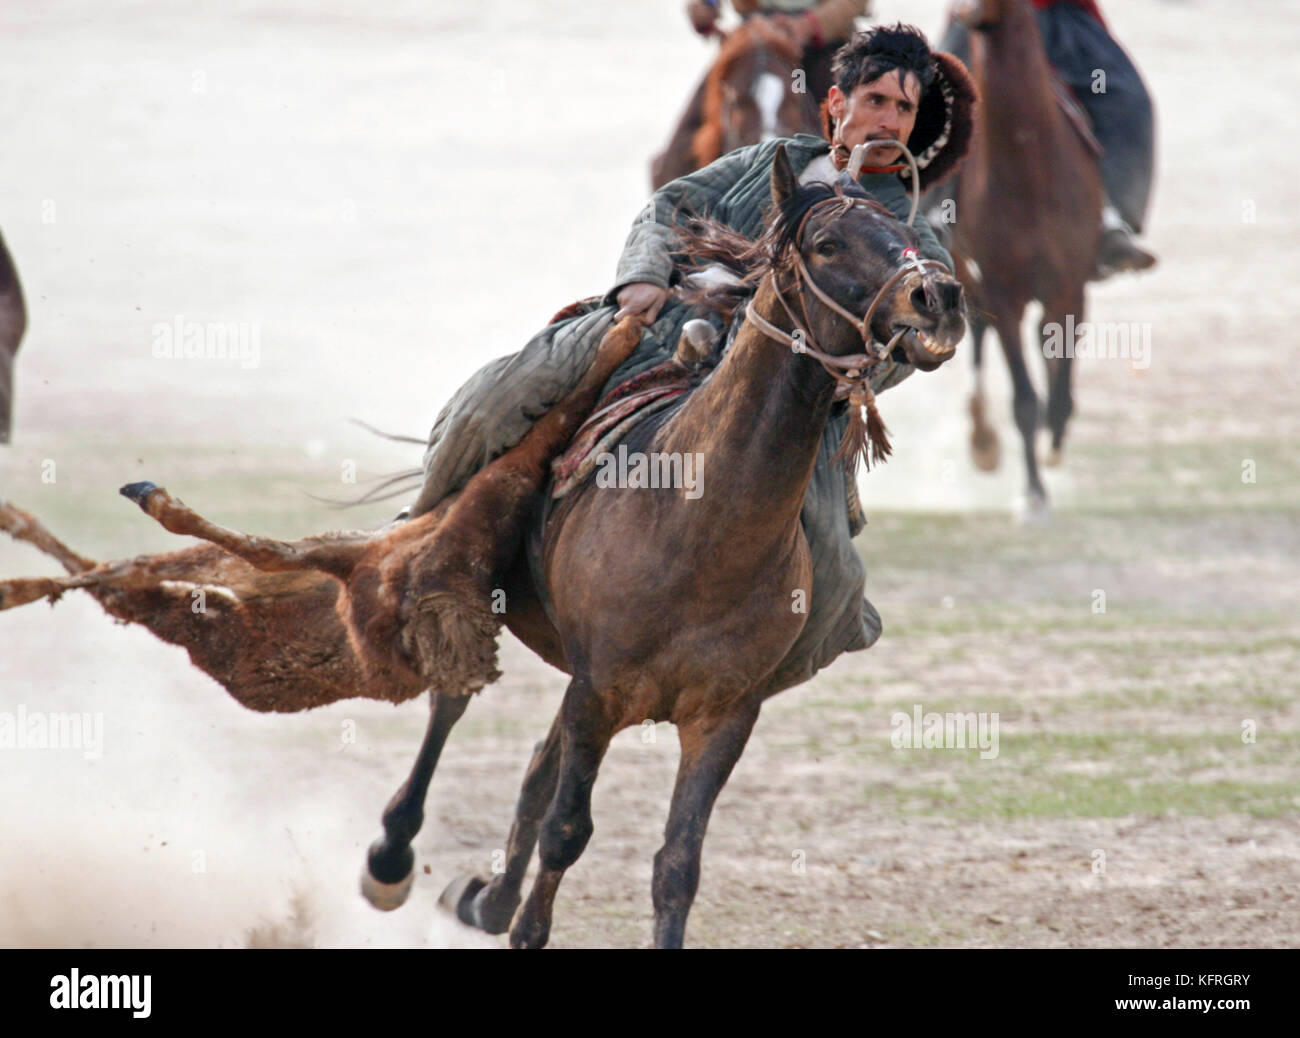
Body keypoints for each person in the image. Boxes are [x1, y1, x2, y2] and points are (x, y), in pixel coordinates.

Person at [407, 23, 975, 691]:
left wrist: (863, 369)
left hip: (791, 399)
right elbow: (672, 202)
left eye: (904, 109)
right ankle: (422, 539)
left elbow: (926, 324)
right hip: (662, 328)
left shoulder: (909, 225)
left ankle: (766, 656)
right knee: (498, 397)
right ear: (835, 105)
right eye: (875, 100)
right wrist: (643, 277)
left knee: (836, 572)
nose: (889, 119)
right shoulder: (774, 160)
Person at [936, 0, 1156, 279]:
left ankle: (1111, 218)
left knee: (1126, 99)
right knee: (938, 96)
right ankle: (934, 215)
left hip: (1059, 19)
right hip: (984, 18)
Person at [652, 0, 873, 186]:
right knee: (675, 162)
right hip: (752, 41)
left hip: (818, 48)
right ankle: (672, 218)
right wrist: (705, 7)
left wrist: (809, 25)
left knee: (855, 132)